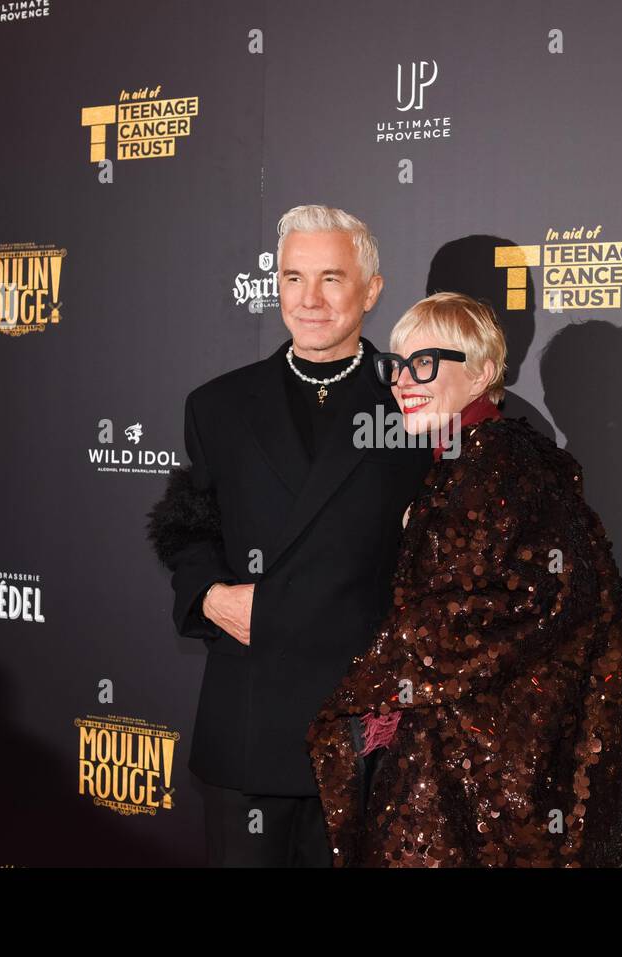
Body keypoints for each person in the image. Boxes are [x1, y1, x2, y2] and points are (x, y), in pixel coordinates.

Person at [305, 292, 622, 866]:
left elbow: (534, 601)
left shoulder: (500, 464)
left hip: (481, 785)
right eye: (396, 366)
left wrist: (380, 677)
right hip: (461, 770)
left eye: (426, 364)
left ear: (484, 371)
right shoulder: (458, 463)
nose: (404, 382)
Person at [146, 205, 431, 866]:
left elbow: (438, 558)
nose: (309, 299)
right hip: (250, 724)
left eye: (331, 278)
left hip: (366, 726)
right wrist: (209, 593)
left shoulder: (415, 403)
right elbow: (189, 526)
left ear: (372, 289)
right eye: (292, 277)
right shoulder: (217, 405)